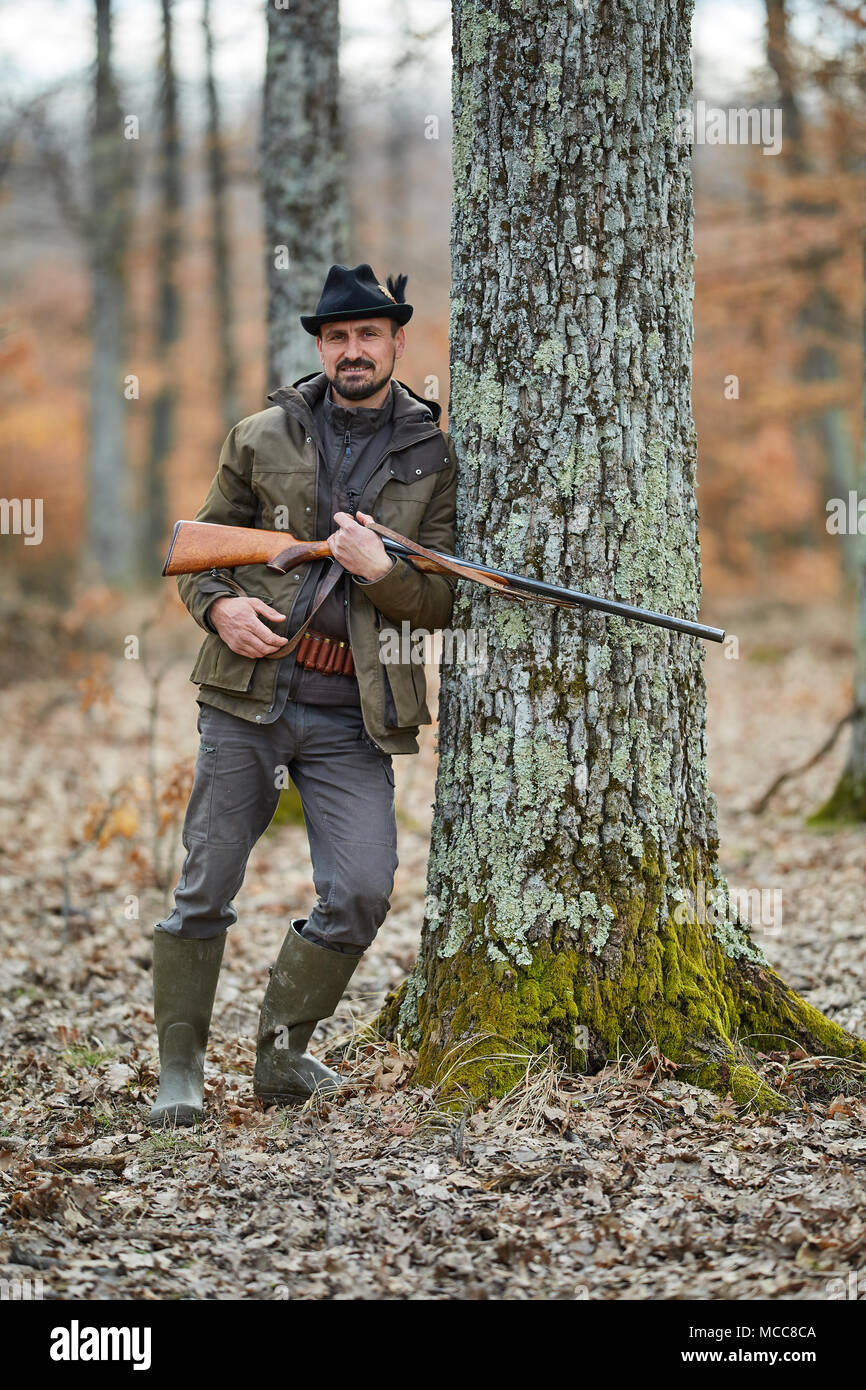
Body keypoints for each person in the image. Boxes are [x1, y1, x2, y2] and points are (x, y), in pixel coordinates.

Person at [149, 264, 458, 1125]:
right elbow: (194, 554)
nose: (352, 351)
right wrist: (221, 610)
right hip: (244, 699)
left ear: (398, 342)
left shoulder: (433, 453)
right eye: (336, 337)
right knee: (205, 885)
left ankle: (282, 1058)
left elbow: (438, 602)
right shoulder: (259, 435)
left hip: (354, 714)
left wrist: (382, 572)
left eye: (368, 335)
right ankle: (180, 1071)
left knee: (361, 888)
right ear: (319, 347)